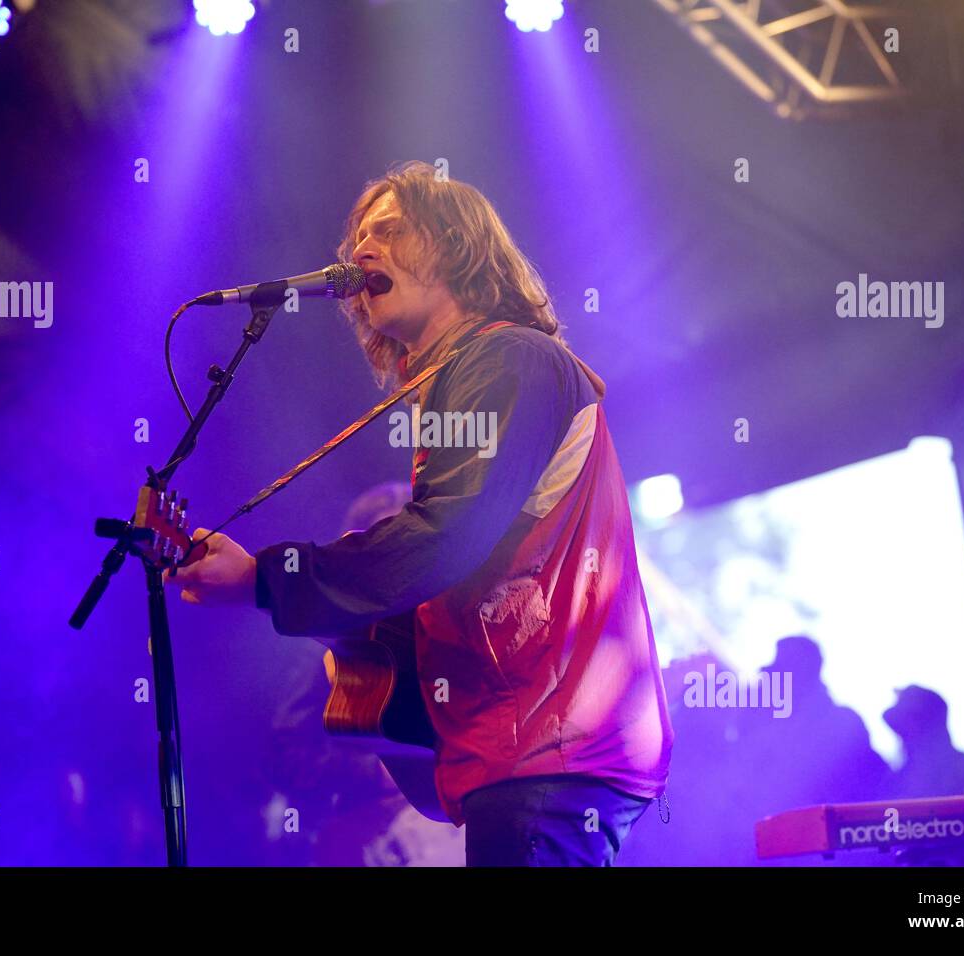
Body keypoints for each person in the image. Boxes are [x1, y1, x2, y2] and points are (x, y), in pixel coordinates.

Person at [170, 161, 674, 866]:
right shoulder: (463, 379)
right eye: (359, 238)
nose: (361, 251)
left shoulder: (510, 360)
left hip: (549, 736)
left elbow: (447, 535)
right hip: (521, 743)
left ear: (454, 246)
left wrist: (266, 578)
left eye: (391, 230)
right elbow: (464, 564)